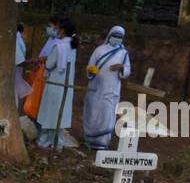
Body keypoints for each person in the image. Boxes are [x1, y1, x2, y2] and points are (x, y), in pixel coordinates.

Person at [82, 25, 132, 150]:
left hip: (111, 90)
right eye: (115, 36)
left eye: (120, 37)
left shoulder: (123, 53)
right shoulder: (99, 50)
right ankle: (89, 139)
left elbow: (127, 69)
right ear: (110, 36)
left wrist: (121, 67)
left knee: (107, 114)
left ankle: (103, 142)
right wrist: (91, 71)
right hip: (96, 87)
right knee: (92, 112)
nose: (117, 39)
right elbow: (90, 65)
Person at [35, 18, 78, 149]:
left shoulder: (59, 46)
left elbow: (49, 65)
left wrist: (45, 60)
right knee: (60, 115)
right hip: (67, 85)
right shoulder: (73, 46)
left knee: (50, 114)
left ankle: (44, 142)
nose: (56, 31)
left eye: (58, 28)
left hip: (55, 84)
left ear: (63, 31)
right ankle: (58, 143)